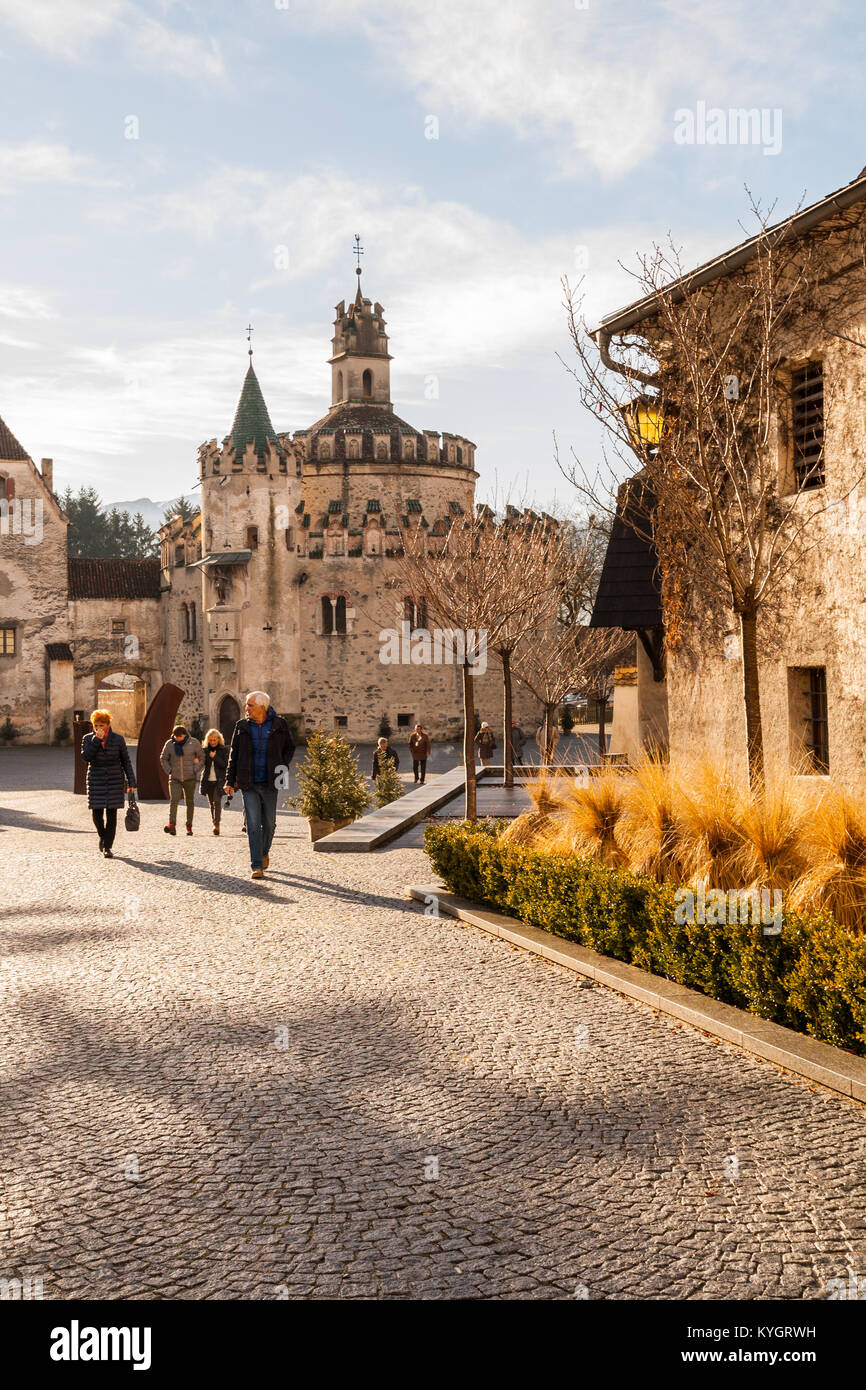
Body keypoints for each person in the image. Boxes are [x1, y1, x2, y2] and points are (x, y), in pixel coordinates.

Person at [224, 691, 295, 880]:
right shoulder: (241, 726)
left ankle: (264, 852)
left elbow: (290, 747)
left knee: (270, 825)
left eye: (250, 705)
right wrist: (229, 781)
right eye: (247, 705)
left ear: (262, 707)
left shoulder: (280, 725)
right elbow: (234, 755)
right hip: (249, 783)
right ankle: (256, 865)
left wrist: (282, 764)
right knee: (253, 825)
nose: (246, 708)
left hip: (272, 781)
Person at [80, 708, 136, 859]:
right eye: (96, 725)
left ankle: (107, 847)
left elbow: (126, 761)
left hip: (114, 779)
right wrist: (96, 740)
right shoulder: (87, 739)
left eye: (102, 725)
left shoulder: (118, 739)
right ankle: (102, 836)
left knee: (112, 815)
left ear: (108, 724)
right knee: (97, 815)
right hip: (95, 779)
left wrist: (131, 781)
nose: (99, 728)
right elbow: (86, 757)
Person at [160, 724, 203, 835]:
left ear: (185, 735)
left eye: (180, 736)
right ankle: (172, 825)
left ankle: (189, 826)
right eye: (176, 736)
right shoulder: (169, 744)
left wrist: (195, 769)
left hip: (190, 778)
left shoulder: (194, 743)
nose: (178, 738)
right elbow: (163, 758)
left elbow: (202, 757)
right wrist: (169, 770)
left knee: (189, 802)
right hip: (175, 778)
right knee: (174, 801)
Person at [199, 729, 228, 835]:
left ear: (218, 739)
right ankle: (214, 822)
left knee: (217, 802)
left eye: (214, 740)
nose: (213, 742)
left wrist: (214, 757)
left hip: (219, 781)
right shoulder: (205, 751)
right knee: (211, 804)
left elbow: (224, 765)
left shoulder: (223, 750)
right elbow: (203, 764)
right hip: (208, 780)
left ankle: (216, 825)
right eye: (210, 740)